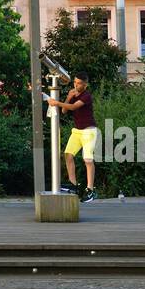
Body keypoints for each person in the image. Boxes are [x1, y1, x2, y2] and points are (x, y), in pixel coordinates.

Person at [48, 72, 97, 202]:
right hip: (77, 131)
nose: (76, 84)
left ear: (85, 84)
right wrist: (68, 97)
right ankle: (73, 185)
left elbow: (74, 107)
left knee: (88, 160)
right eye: (75, 82)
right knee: (68, 155)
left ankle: (90, 190)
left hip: (89, 131)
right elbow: (64, 111)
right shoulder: (73, 94)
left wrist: (56, 103)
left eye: (79, 83)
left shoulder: (86, 96)